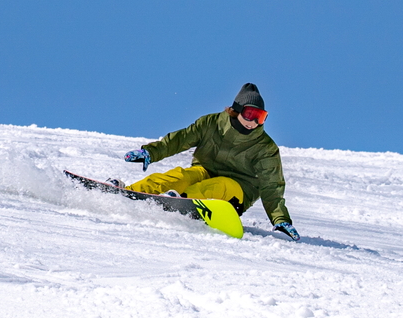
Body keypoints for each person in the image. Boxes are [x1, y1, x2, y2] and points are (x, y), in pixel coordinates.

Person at [120, 83, 300, 241]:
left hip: (239, 189)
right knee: (182, 176)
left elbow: (271, 185)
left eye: (259, 117)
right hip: (205, 170)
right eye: (249, 114)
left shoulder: (265, 147)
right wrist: (150, 152)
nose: (253, 121)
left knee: (219, 185)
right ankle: (130, 192)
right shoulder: (211, 123)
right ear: (237, 109)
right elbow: (181, 139)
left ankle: (182, 202)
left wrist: (280, 218)